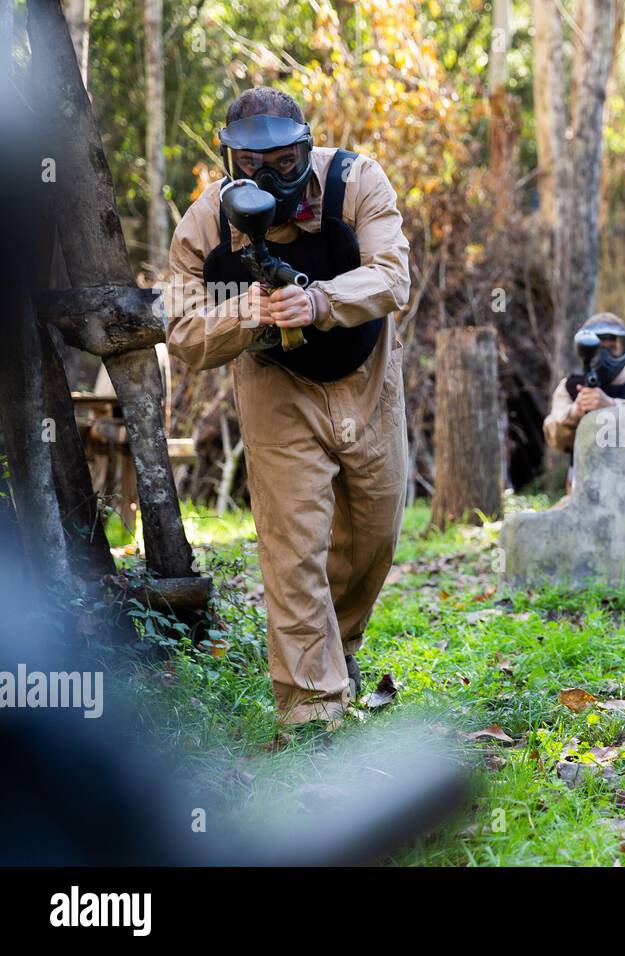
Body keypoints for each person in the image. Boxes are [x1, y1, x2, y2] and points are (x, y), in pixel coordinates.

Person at [164, 88, 411, 729]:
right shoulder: (207, 221)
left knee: (375, 533)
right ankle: (312, 711)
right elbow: (184, 331)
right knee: (293, 546)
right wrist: (245, 310)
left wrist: (319, 301)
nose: (267, 175)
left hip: (366, 377)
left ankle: (339, 648)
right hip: (276, 386)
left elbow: (393, 275)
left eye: (281, 157)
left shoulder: (355, 182)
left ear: (305, 146)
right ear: (230, 159)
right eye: (250, 163)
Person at [543, 312, 625, 457]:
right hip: (583, 477)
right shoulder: (570, 386)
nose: (605, 355)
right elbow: (555, 440)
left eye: (612, 348)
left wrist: (611, 406)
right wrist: (576, 411)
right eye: (597, 348)